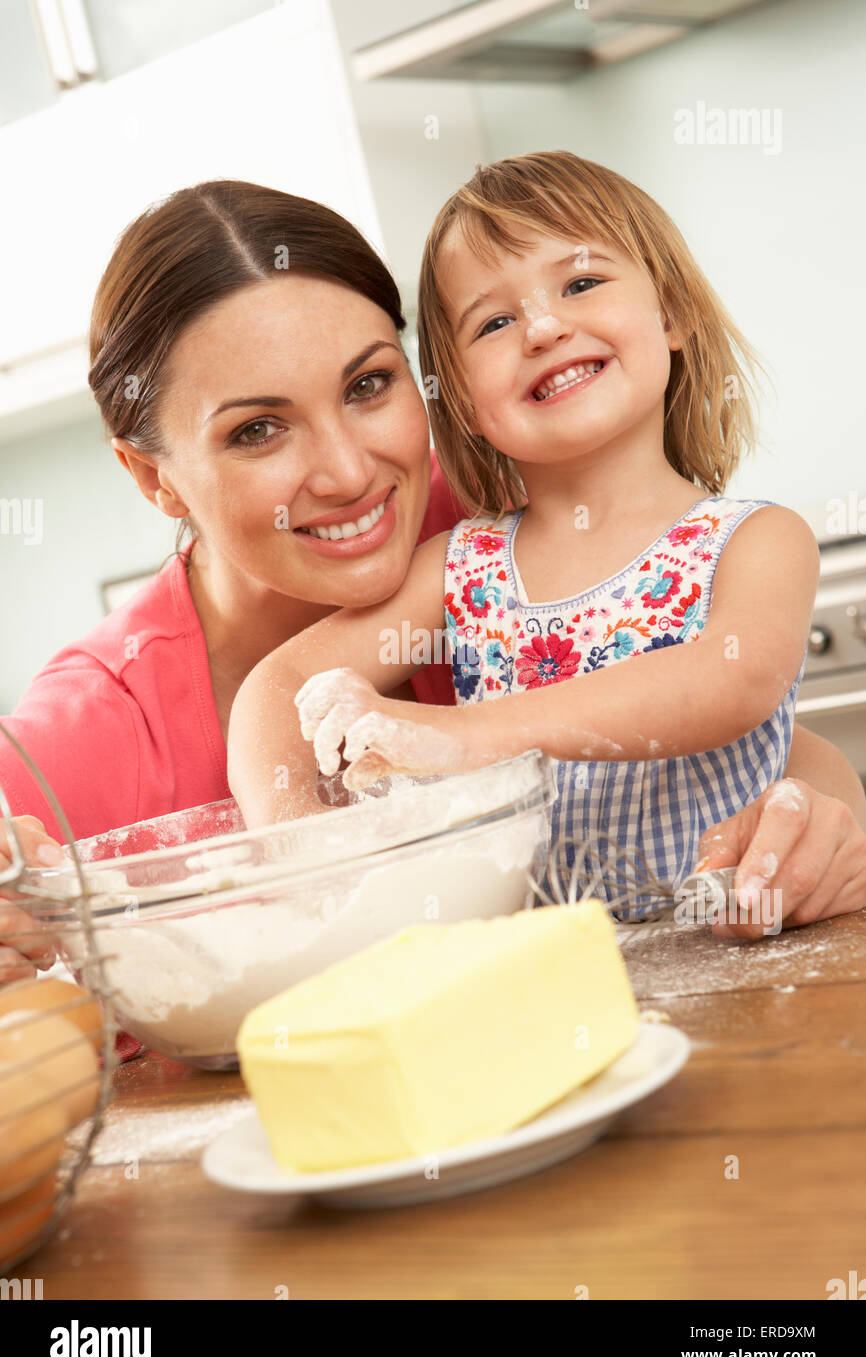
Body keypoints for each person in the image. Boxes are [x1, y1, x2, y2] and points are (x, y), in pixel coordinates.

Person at [0, 179, 864, 990]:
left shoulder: (487, 510)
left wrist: (816, 811)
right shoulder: (73, 744)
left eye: (369, 385)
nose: (346, 472)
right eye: (258, 430)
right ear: (155, 479)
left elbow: (719, 698)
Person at [226, 153, 866, 929]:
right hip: (552, 982)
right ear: (458, 401)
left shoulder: (756, 540)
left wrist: (459, 736)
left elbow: (729, 685)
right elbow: (277, 687)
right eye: (494, 322)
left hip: (745, 957)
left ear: (670, 314)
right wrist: (310, 867)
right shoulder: (462, 569)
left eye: (582, 283)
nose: (543, 326)